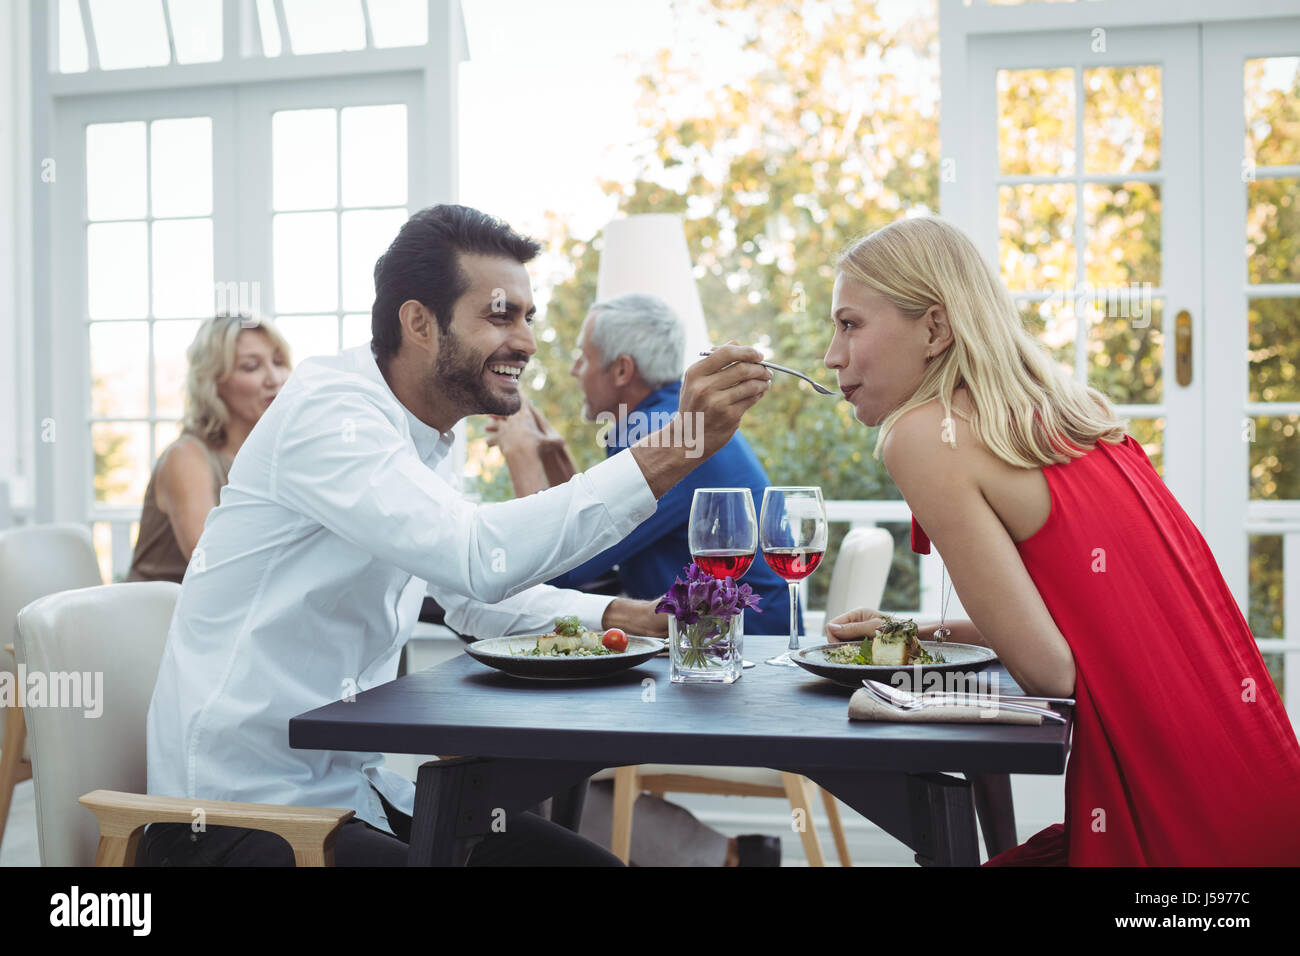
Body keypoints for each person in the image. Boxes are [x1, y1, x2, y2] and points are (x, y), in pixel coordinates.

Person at [141, 204, 773, 867]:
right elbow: (477, 556)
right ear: (418, 322)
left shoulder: (426, 434)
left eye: (528, 318)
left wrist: (628, 615)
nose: (526, 342)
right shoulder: (331, 414)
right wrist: (681, 444)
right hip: (235, 819)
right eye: (501, 315)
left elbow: (470, 599)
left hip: (352, 796)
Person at [822, 215, 1300, 865]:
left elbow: (1052, 671)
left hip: (1181, 834)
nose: (831, 355)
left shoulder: (923, 435)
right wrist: (915, 632)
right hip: (1258, 800)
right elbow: (1091, 631)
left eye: (850, 324)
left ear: (934, 328)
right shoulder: (1072, 417)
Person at [485, 292, 795, 633]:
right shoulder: (666, 419)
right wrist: (553, 454)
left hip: (741, 650)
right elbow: (597, 531)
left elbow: (557, 570)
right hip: (715, 642)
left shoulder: (662, 435)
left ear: (621, 369)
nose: (575, 371)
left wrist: (521, 457)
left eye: (583, 357)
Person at [127, 315, 291, 583]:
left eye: (279, 362)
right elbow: (214, 564)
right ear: (214, 381)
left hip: (235, 615)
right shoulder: (186, 458)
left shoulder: (272, 457)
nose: (275, 379)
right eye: (251, 367)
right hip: (158, 619)